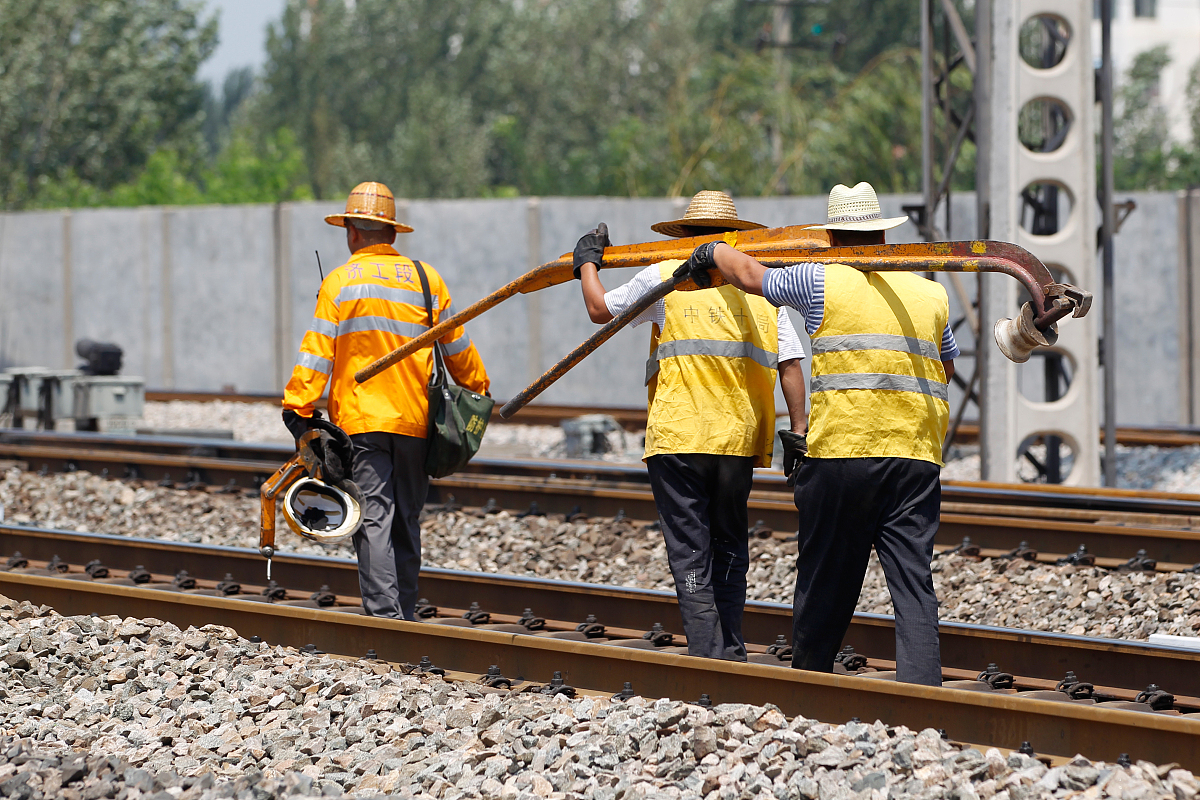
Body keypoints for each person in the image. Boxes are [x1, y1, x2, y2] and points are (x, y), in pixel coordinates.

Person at [685, 181, 958, 685]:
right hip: (917, 459)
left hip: (843, 456)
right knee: (914, 584)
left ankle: (810, 684)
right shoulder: (931, 292)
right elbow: (946, 366)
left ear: (832, 237)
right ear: (882, 234)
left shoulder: (819, 280)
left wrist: (712, 247)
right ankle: (925, 694)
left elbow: (749, 276)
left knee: (825, 579)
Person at [574, 190, 808, 661]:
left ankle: (706, 654)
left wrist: (587, 263)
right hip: (739, 441)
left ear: (682, 237)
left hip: (679, 439)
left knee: (690, 548)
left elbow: (600, 311)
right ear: (734, 237)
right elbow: (790, 366)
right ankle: (731, 649)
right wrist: (799, 431)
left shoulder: (664, 278)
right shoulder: (764, 288)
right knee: (728, 544)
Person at [282, 181, 490, 620]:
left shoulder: (339, 282)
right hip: (416, 421)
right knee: (405, 521)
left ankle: (386, 621)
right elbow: (456, 344)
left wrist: (298, 409)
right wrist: (479, 389)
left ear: (353, 232)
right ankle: (406, 615)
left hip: (362, 423)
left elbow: (317, 350)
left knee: (373, 519)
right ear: (393, 234)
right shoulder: (425, 278)